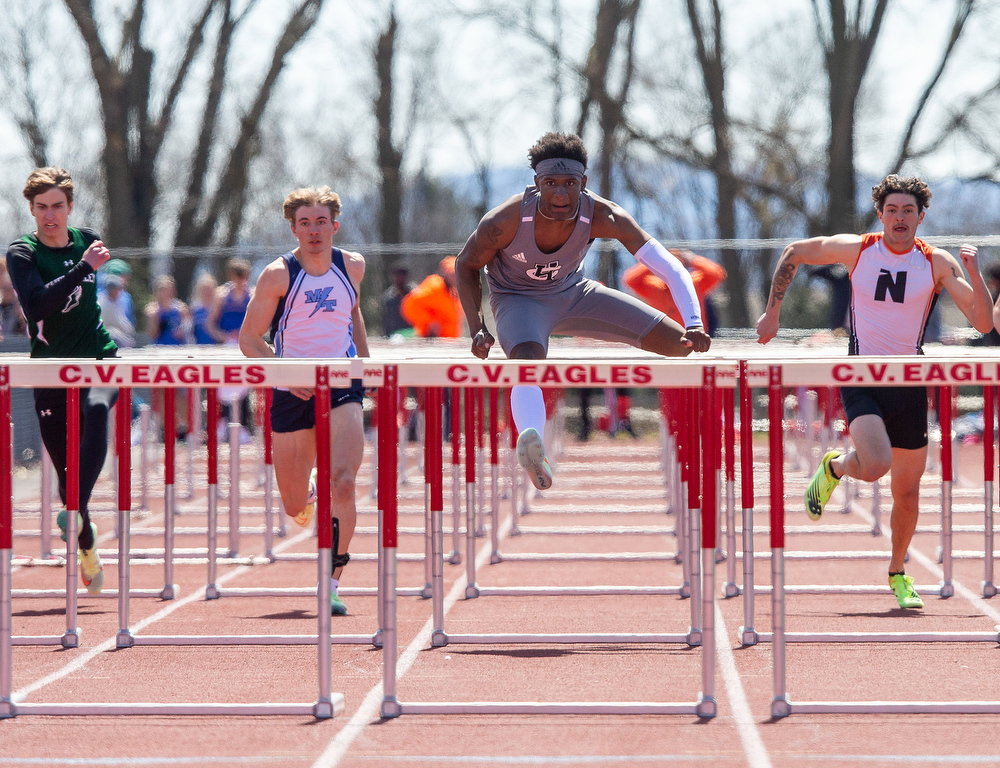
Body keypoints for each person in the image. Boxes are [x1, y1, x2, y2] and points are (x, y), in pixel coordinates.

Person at [756, 174, 993, 610]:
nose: (899, 218)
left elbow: (982, 322)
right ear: (880, 215)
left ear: (921, 216)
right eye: (892, 210)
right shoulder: (858, 249)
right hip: (861, 374)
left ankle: (898, 571)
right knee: (877, 464)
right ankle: (839, 466)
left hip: (909, 382)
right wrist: (772, 314)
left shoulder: (938, 262)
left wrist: (975, 274)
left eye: (907, 211)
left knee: (907, 492)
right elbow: (795, 252)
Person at [456, 131, 710, 490]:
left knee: (678, 344)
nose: (560, 193)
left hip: (575, 293)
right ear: (536, 183)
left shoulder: (605, 215)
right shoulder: (505, 220)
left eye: (570, 183)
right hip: (518, 299)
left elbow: (669, 266)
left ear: (584, 183)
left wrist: (695, 322)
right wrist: (477, 326)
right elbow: (465, 265)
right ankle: (534, 447)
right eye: (551, 183)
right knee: (526, 359)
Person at [239, 186, 369, 616]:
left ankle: (332, 579)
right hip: (291, 388)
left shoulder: (352, 266)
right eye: (305, 223)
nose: (314, 231)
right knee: (294, 505)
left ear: (335, 224)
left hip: (341, 382)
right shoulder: (278, 275)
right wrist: (285, 372)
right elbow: (248, 340)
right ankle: (307, 495)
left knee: (345, 482)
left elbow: (350, 314)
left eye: (321, 222)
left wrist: (365, 368)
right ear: (293, 228)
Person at [5, 167, 118, 594]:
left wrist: (85, 263)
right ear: (32, 210)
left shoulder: (89, 238)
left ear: (70, 207)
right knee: (67, 470)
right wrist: (81, 270)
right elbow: (35, 307)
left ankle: (75, 510)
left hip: (97, 354)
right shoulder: (22, 252)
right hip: (50, 363)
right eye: (41, 208)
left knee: (98, 411)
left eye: (57, 207)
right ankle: (85, 538)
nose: (50, 216)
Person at [209, 258, 254, 439]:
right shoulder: (221, 295)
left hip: (245, 345)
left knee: (244, 382)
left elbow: (262, 322)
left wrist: (249, 336)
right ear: (231, 276)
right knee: (223, 383)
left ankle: (242, 424)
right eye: (238, 277)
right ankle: (222, 422)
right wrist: (224, 336)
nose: (241, 281)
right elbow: (210, 324)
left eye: (244, 277)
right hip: (226, 345)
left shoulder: (253, 294)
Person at [401, 256, 463, 338]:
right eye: (453, 274)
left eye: (458, 275)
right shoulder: (435, 287)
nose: (456, 278)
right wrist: (429, 322)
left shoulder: (454, 292)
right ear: (446, 274)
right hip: (432, 340)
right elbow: (410, 304)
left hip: (449, 342)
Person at [145, 275, 191, 345]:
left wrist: (182, 331)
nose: (166, 293)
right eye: (162, 290)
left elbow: (188, 327)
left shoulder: (181, 308)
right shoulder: (153, 309)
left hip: (178, 346)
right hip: (159, 346)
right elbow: (152, 334)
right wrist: (154, 318)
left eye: (169, 289)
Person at [97, 273, 136, 349]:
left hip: (116, 332)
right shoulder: (102, 301)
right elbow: (114, 321)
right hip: (104, 333)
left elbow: (123, 322)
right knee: (114, 335)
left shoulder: (120, 300)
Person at [382, 261, 415, 337]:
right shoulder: (389, 296)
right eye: (395, 276)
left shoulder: (415, 295)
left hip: (411, 334)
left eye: (400, 276)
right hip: (395, 335)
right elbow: (387, 319)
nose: (398, 279)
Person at [189, 273, 219, 346]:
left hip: (216, 345)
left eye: (209, 289)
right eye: (205, 289)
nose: (207, 292)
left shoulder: (217, 307)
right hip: (199, 345)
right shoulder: (194, 308)